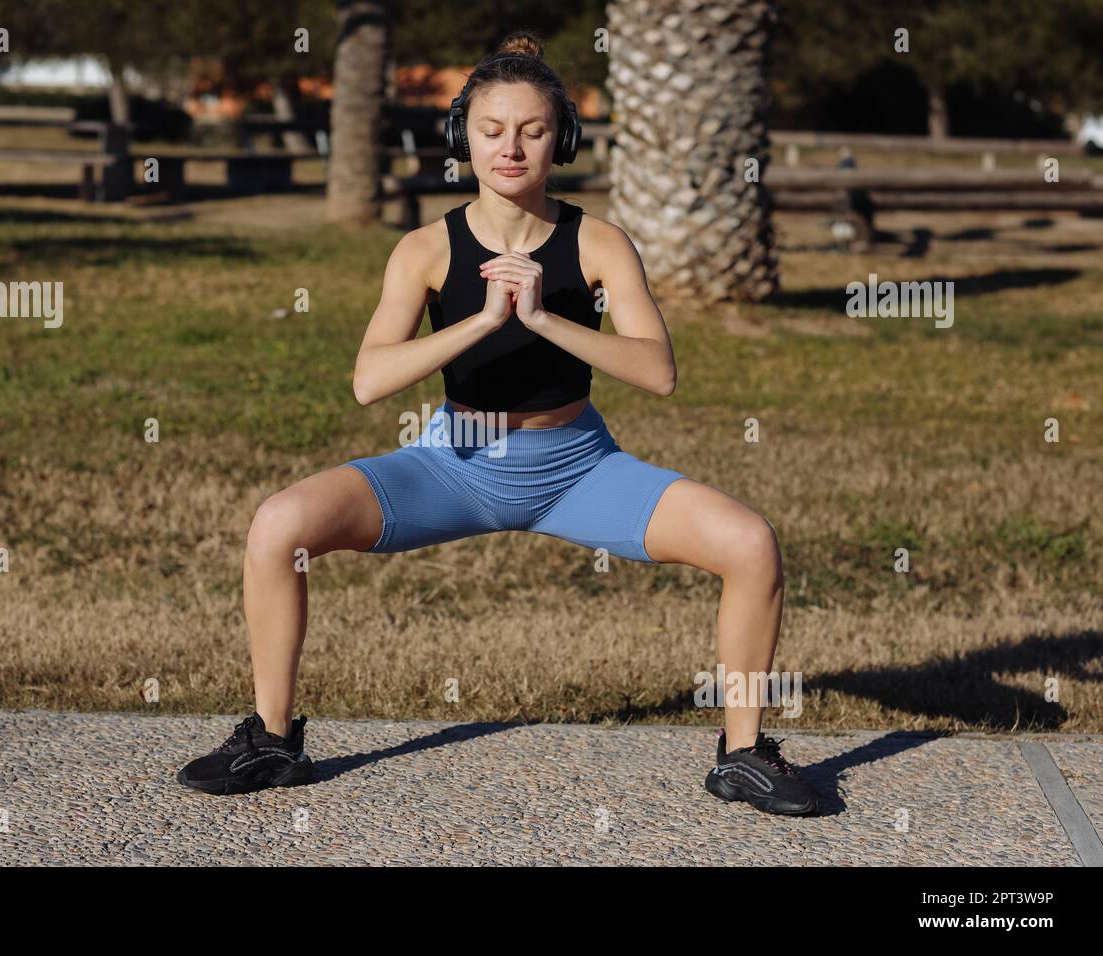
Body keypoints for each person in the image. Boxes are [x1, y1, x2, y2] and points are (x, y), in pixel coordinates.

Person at [177, 31, 820, 816]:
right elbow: (368, 381)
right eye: (491, 130)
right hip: (455, 458)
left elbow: (658, 370)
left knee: (750, 544)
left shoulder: (598, 241)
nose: (510, 147)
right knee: (281, 524)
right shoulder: (423, 249)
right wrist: (481, 320)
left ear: (563, 140)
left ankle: (743, 755)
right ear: (463, 139)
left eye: (532, 130)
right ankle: (274, 742)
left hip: (577, 464)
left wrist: (544, 316)